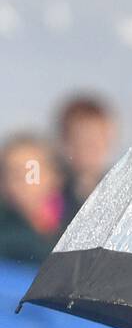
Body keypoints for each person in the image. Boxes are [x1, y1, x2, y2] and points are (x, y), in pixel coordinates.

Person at [0, 132, 64, 263]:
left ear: (53, 176)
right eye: (9, 172)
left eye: (30, 172)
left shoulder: (80, 218)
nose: (18, 181)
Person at [55, 95, 119, 224]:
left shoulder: (120, 190)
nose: (89, 146)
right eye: (80, 139)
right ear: (64, 142)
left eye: (96, 138)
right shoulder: (52, 197)